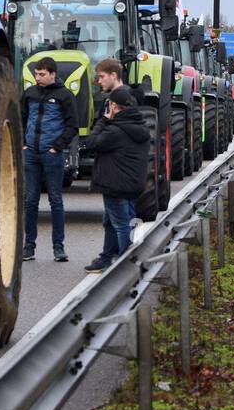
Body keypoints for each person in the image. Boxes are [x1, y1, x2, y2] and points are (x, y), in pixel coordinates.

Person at [83, 85, 150, 272]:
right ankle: (106, 257)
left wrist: (103, 120)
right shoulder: (139, 126)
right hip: (131, 184)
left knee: (120, 225)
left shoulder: (115, 131)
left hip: (115, 185)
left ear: (114, 106)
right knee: (114, 221)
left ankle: (125, 267)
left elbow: (91, 143)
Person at [22, 57, 81, 262]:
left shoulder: (64, 95)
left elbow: (73, 125)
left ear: (53, 74)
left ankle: (58, 247)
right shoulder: (29, 94)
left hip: (51, 154)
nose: (38, 78)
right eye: (36, 74)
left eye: (42, 74)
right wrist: (23, 142)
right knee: (30, 201)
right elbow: (21, 118)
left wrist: (57, 147)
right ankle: (28, 247)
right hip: (31, 154)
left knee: (55, 200)